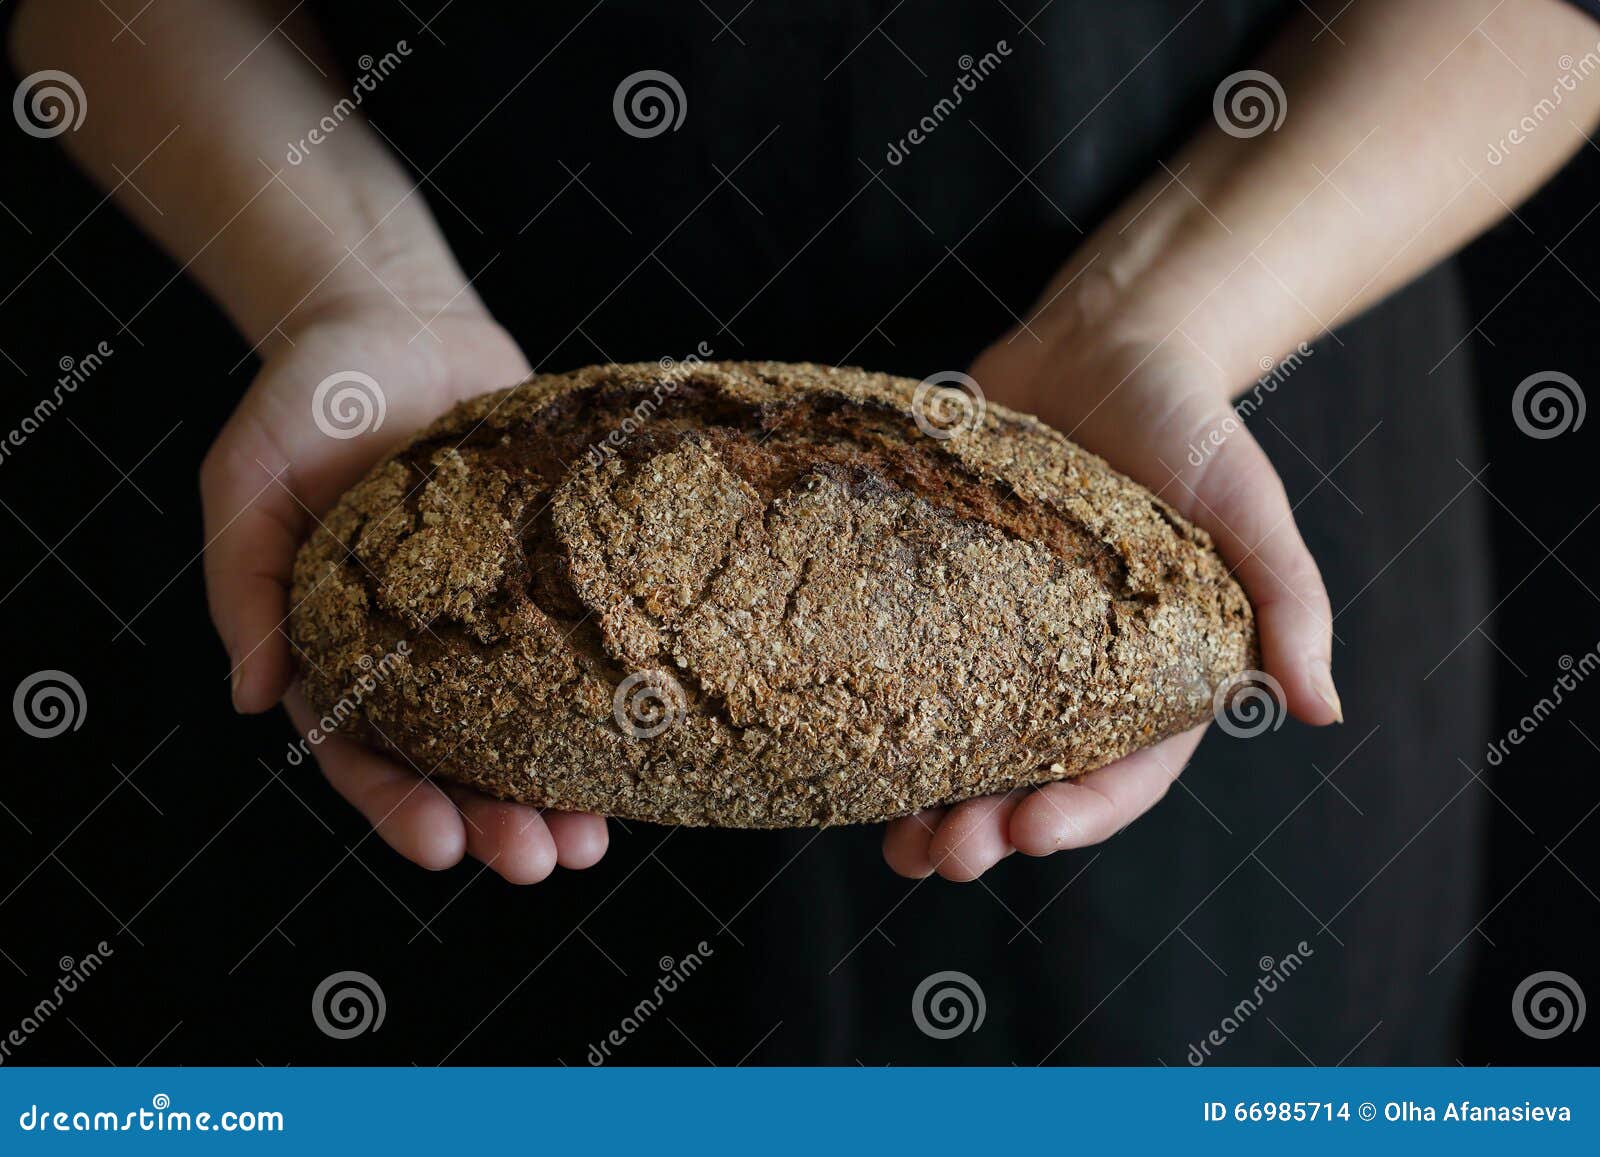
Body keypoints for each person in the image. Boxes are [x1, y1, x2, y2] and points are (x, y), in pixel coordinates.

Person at [13, 0, 1598, 1062]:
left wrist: (1169, 317)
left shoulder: (1146, 586)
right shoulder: (396, 555)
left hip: (1203, 394)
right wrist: (342, 279)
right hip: (410, 434)